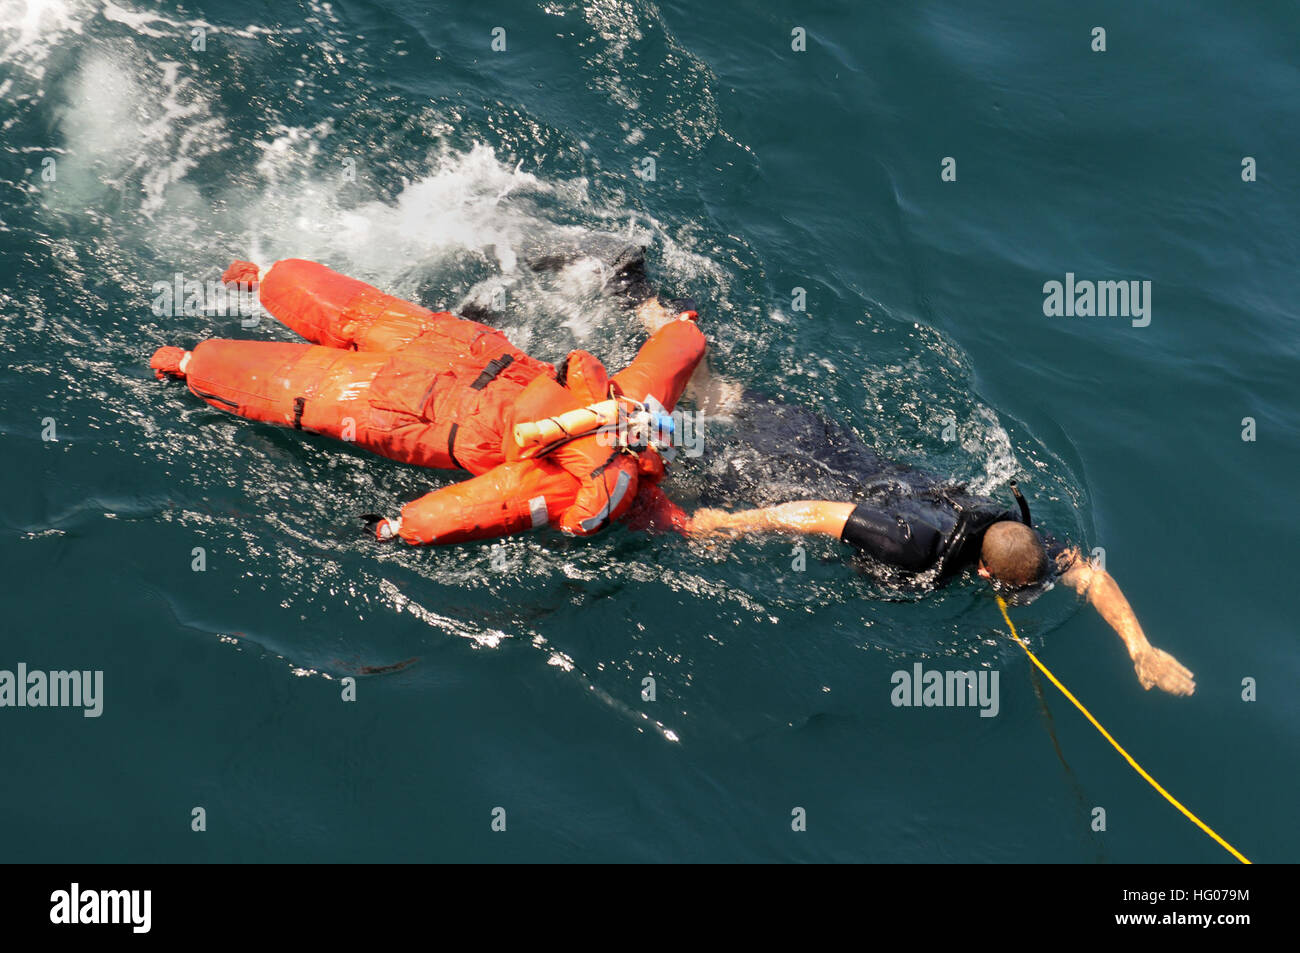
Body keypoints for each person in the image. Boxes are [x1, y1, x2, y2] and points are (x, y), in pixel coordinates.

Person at [669, 342, 1195, 697]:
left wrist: (1140, 647)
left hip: (843, 452)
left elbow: (1092, 576)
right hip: (796, 476)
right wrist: (731, 525)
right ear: (987, 574)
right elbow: (817, 515)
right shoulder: (911, 545)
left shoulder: (1015, 534)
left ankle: (647, 312)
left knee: (717, 396)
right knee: (678, 470)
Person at [149, 257, 702, 545]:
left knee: (348, 315)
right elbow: (467, 511)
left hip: (446, 363)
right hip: (409, 403)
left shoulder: (622, 402)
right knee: (295, 383)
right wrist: (396, 526)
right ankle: (191, 361)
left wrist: (681, 324)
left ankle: (260, 282)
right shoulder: (569, 485)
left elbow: (676, 348)